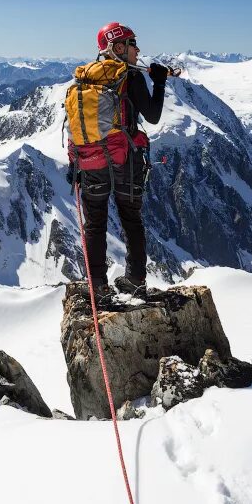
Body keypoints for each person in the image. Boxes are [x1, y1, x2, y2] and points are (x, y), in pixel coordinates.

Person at [72, 22, 168, 304]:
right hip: (126, 159)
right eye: (132, 43)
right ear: (117, 47)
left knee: (94, 224)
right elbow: (151, 116)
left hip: (91, 161)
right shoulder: (130, 77)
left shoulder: (85, 79)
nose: (138, 49)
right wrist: (159, 82)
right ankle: (135, 281)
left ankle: (97, 285)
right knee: (131, 219)